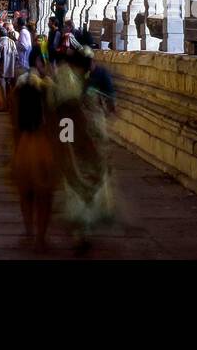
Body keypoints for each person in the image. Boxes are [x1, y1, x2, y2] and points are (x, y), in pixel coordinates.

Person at [54, 37, 116, 252]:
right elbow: (67, 113)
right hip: (80, 139)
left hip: (81, 139)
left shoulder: (71, 77)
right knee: (81, 181)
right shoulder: (71, 79)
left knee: (80, 182)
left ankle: (83, 228)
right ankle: (82, 228)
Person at [10, 49, 57, 251]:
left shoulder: (19, 85)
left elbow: (14, 119)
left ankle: (29, 230)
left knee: (26, 193)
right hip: (43, 145)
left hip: (23, 144)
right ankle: (40, 238)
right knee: (44, 196)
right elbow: (55, 119)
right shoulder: (48, 86)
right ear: (39, 61)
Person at [0, 26, 19, 109]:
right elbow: (16, 56)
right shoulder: (12, 42)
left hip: (1, 69)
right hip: (11, 69)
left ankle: (4, 105)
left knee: (2, 87)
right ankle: (10, 105)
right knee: (9, 87)